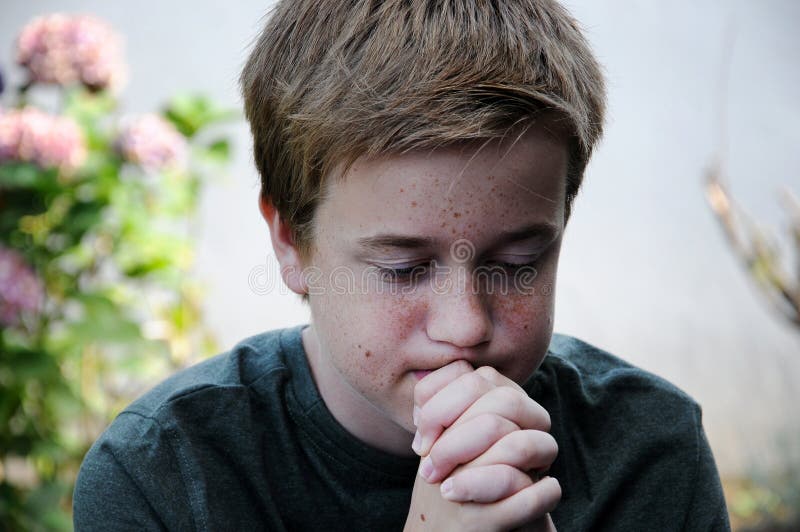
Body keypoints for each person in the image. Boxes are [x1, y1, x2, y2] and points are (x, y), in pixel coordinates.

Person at [73, 0, 731, 530]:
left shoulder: (651, 456)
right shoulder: (164, 476)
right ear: (289, 243)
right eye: (403, 267)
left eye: (519, 260)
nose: (465, 326)